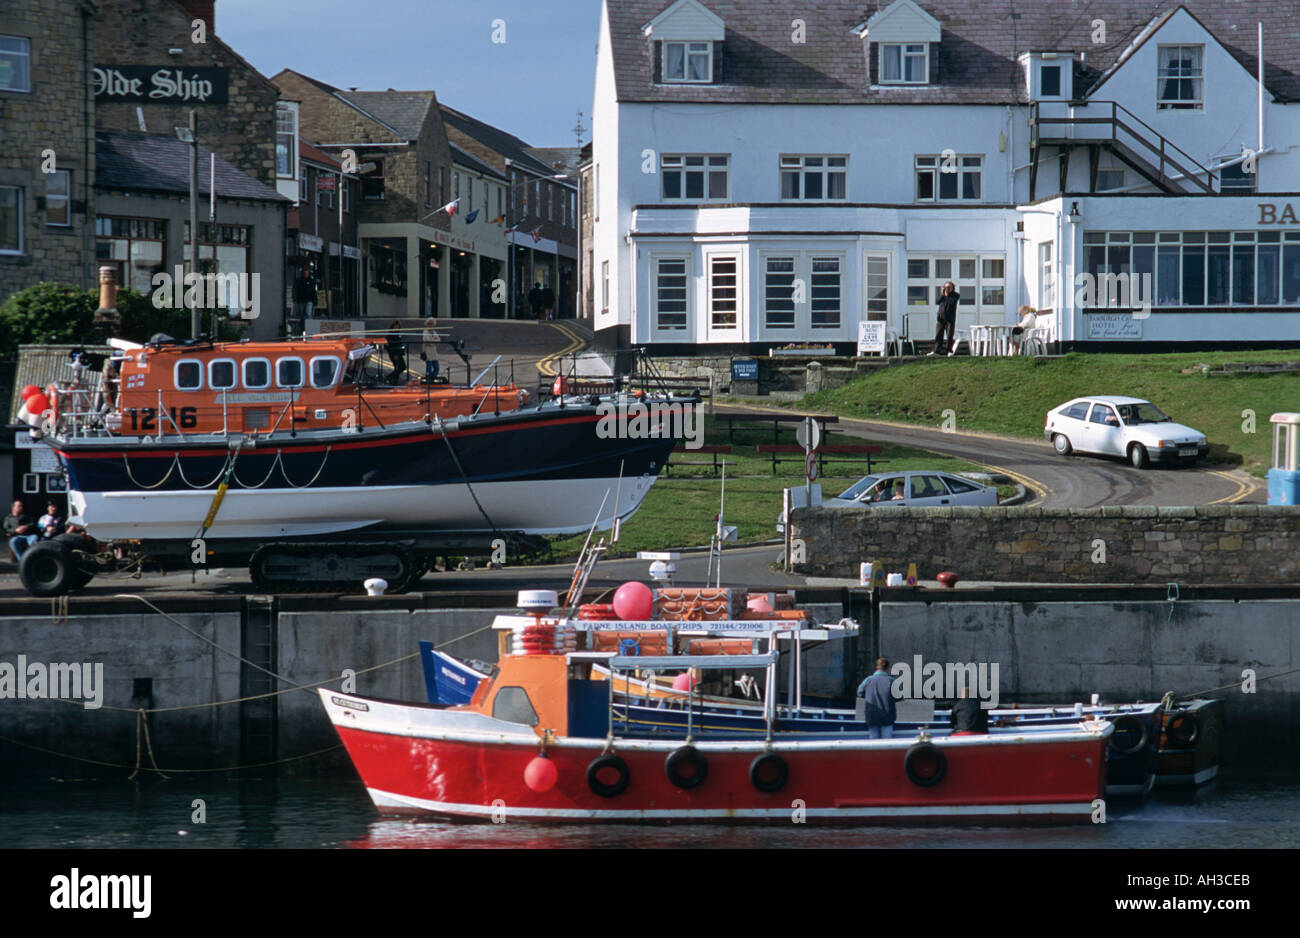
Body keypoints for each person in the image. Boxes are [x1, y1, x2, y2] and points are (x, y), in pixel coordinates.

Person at [856, 657, 897, 738]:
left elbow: (859, 692)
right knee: (887, 744)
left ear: (877, 667)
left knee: (873, 744)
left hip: (872, 717)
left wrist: (868, 696)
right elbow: (899, 696)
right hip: (887, 718)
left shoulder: (868, 680)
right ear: (887, 668)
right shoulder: (891, 681)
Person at [928, 281, 960, 357]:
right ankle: (936, 351)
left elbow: (951, 302)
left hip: (950, 318)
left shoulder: (955, 295)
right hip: (941, 318)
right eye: (946, 287)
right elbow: (938, 301)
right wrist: (943, 294)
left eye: (949, 287)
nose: (948, 289)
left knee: (949, 335)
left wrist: (947, 294)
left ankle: (949, 351)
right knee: (938, 334)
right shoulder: (943, 295)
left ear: (952, 287)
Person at [386, 320, 407, 384]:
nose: (396, 328)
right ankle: (390, 378)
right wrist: (394, 354)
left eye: (398, 327)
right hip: (394, 353)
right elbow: (390, 345)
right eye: (395, 327)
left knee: (402, 367)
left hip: (399, 353)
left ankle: (393, 379)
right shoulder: (390, 335)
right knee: (398, 367)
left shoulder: (398, 334)